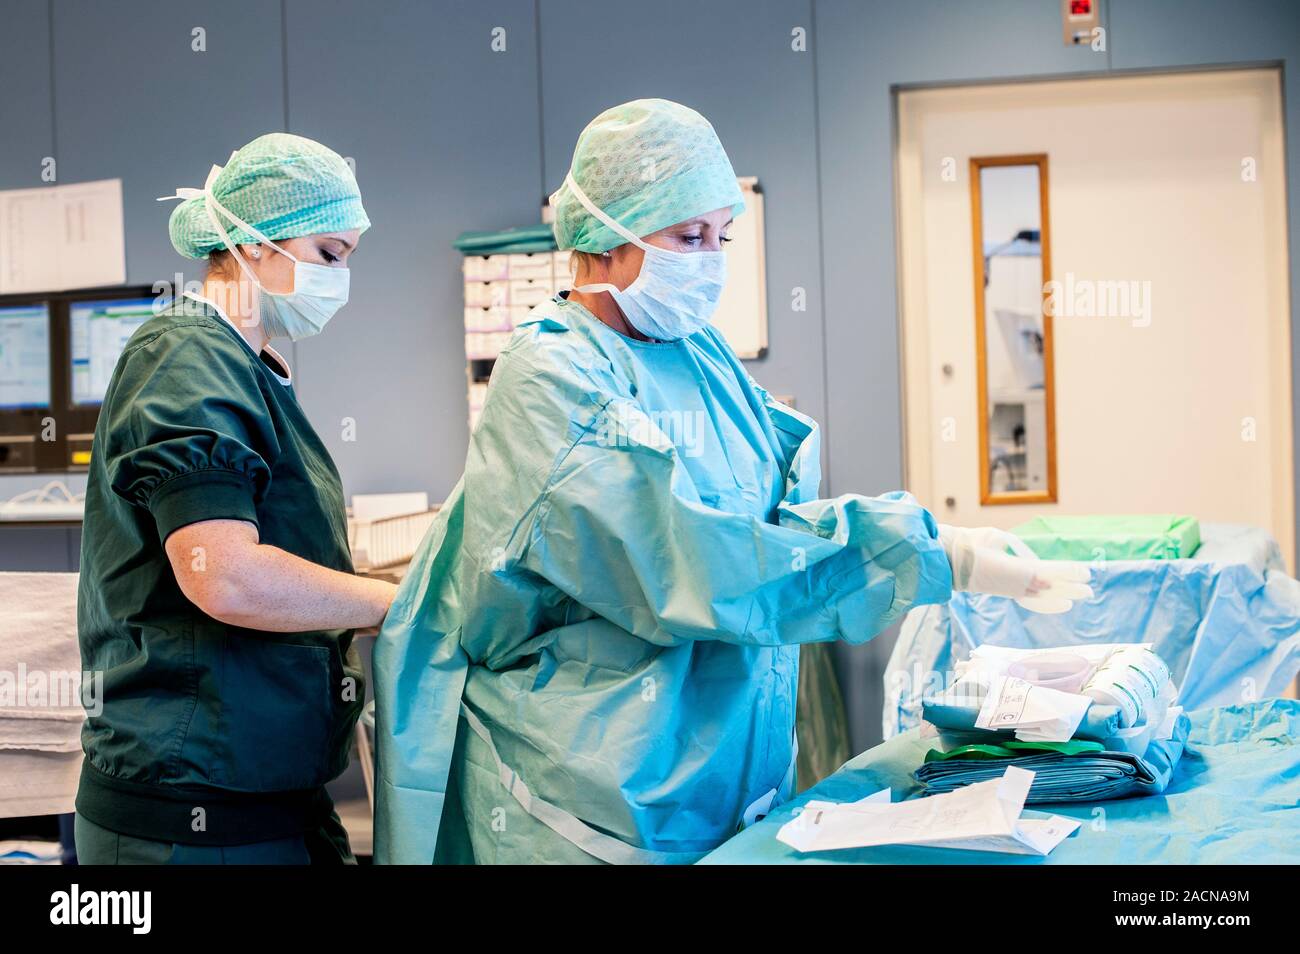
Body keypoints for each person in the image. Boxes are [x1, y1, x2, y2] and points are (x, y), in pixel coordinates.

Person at [373, 100, 1091, 864]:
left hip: (722, 781)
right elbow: (695, 558)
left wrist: (943, 537)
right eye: (689, 237)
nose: (711, 259)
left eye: (723, 236)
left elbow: (768, 520)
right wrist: (933, 556)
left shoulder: (698, 354)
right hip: (590, 802)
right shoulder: (550, 378)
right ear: (607, 236)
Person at [75, 133, 397, 864]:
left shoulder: (251, 367)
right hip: (188, 809)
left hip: (266, 794)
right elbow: (222, 573)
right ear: (253, 245)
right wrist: (390, 602)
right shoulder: (185, 355)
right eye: (328, 255)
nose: (340, 279)